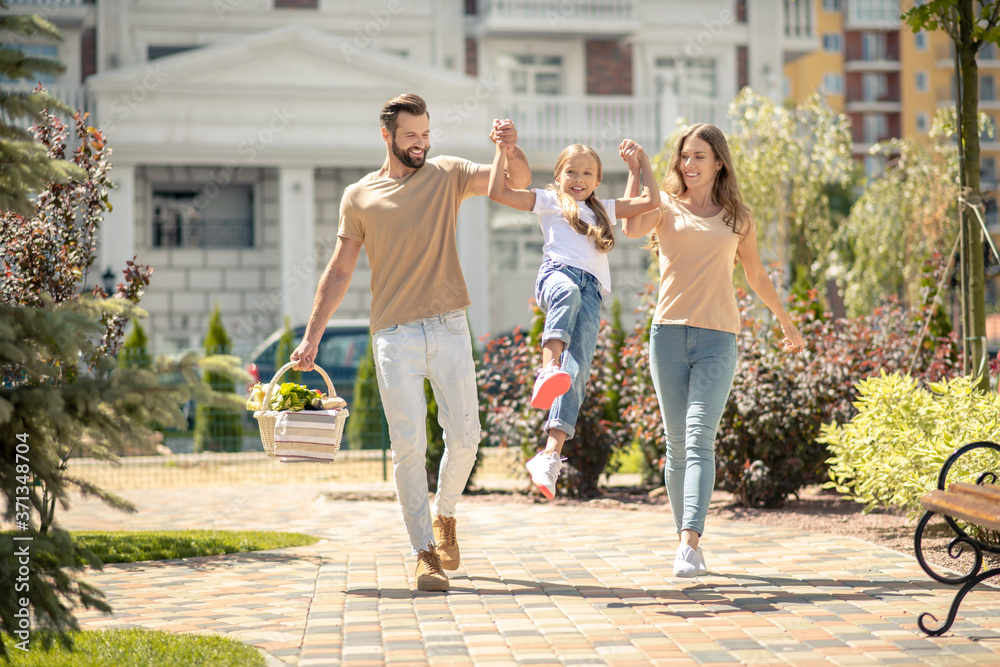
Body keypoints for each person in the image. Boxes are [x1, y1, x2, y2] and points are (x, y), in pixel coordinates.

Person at [290, 93, 531, 592]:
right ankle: (424, 552)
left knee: (466, 437)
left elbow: (511, 184)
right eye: (410, 137)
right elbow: (338, 272)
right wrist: (312, 337)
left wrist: (509, 148)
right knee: (408, 448)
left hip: (448, 325)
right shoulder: (359, 196)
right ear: (387, 136)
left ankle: (445, 516)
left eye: (425, 134)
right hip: (393, 336)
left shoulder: (446, 174)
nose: (420, 144)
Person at [619, 125, 805, 578]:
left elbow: (756, 275)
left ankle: (689, 544)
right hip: (667, 336)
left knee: (700, 437)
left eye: (699, 156)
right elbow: (629, 227)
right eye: (684, 156)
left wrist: (785, 320)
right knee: (677, 445)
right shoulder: (663, 205)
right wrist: (636, 171)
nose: (689, 164)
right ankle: (685, 536)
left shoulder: (737, 217)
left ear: (719, 161)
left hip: (718, 337)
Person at [488, 140, 660, 499]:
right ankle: (548, 367)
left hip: (592, 292)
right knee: (566, 294)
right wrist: (503, 150)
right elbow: (498, 192)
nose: (578, 178)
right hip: (556, 276)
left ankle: (549, 456)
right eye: (571, 171)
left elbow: (649, 202)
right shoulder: (550, 202)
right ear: (558, 176)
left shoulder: (602, 210)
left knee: (577, 372)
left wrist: (641, 164)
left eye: (587, 173)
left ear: (597, 181)